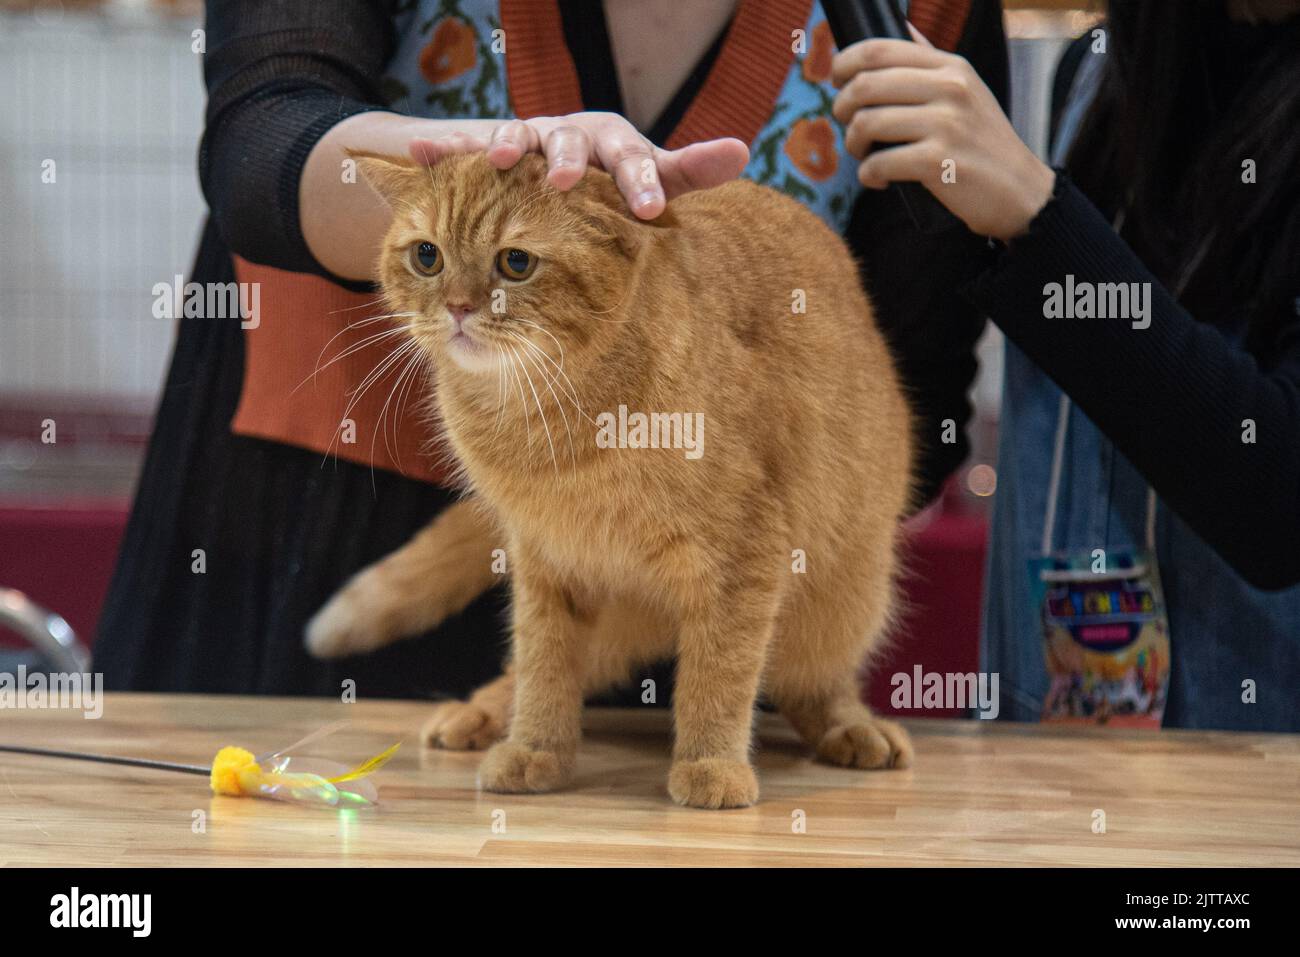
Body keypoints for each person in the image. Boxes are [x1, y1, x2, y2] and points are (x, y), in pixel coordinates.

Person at [95, 0, 1005, 700]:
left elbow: (917, 391)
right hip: (310, 518)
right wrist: (457, 172)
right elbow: (260, 132)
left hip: (685, 615)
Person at [827, 0, 1300, 730]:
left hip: (1254, 786)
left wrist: (1037, 216)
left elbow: (1278, 497)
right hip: (1046, 758)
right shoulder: (1095, 80)